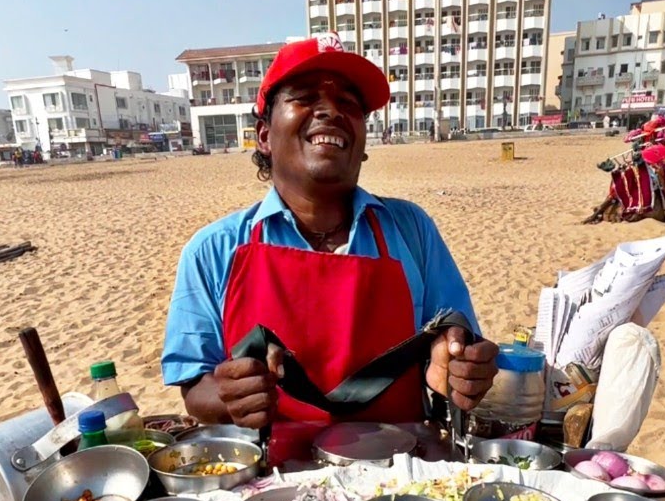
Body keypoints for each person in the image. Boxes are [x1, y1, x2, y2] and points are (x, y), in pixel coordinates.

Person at [161, 32, 499, 464]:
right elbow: (194, 389)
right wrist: (230, 396)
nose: (330, 111)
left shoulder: (411, 229)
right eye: (304, 97)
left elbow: (454, 339)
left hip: (402, 474)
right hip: (271, 476)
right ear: (264, 135)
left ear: (362, 141)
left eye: (350, 105)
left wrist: (455, 365)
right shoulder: (213, 250)